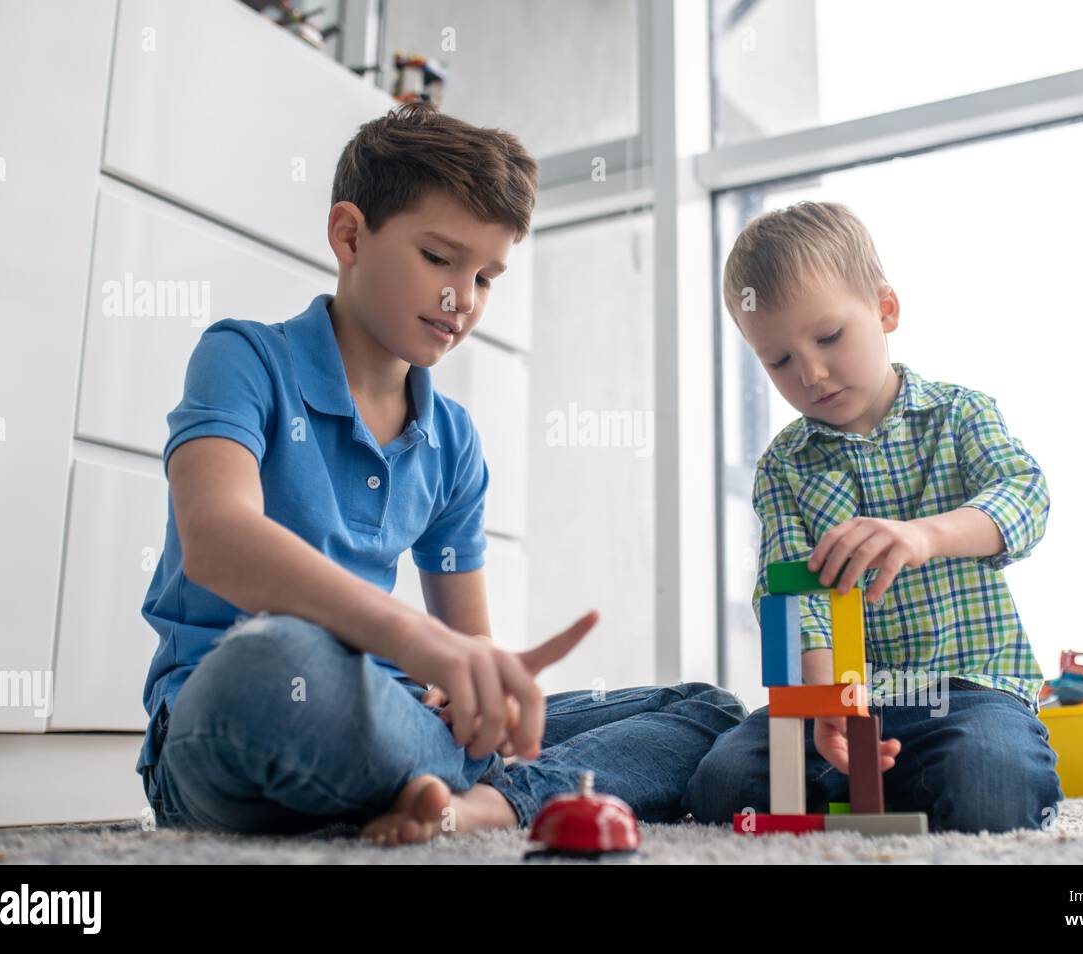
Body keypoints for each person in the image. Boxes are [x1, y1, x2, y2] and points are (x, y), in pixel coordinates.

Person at [136, 103, 747, 844]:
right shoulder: (244, 357)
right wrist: (419, 646)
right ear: (350, 235)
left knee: (707, 711)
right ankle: (479, 789)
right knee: (272, 659)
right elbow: (218, 539)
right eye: (439, 259)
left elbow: (468, 658)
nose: (463, 299)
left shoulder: (452, 439)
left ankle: (484, 804)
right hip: (237, 718)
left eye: (486, 275)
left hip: (405, 722)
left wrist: (484, 692)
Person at [685, 201, 1064, 833]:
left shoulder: (961, 415)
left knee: (994, 790)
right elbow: (785, 592)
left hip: (966, 691)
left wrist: (925, 535)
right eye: (777, 360)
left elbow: (1025, 497)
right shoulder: (784, 465)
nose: (810, 372)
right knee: (724, 786)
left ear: (885, 309)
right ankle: (889, 788)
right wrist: (827, 699)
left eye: (829, 337)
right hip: (839, 700)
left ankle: (908, 784)